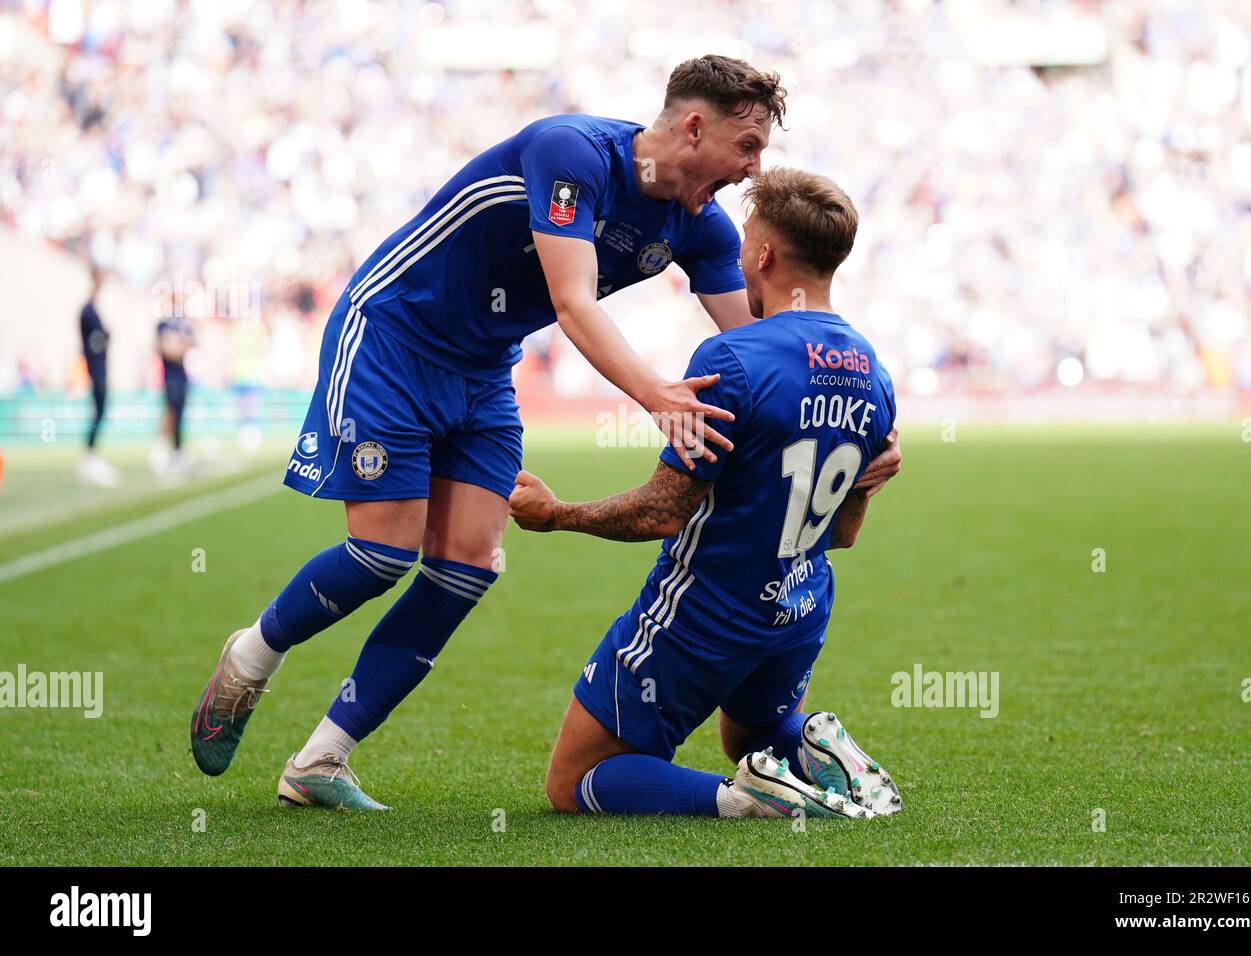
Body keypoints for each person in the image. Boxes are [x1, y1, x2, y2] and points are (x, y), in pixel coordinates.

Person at [189, 54, 899, 811]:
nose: (755, 168)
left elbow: (768, 351)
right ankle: (250, 657)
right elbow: (572, 299)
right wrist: (656, 394)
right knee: (382, 551)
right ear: (695, 126)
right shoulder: (571, 154)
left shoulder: (703, 227)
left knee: (467, 564)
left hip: (484, 368)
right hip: (393, 336)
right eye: (748, 147)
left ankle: (321, 760)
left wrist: (857, 439)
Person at [510, 168, 902, 819]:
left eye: (746, 240)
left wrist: (556, 515)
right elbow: (845, 531)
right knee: (745, 733)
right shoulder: (872, 372)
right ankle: (817, 747)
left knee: (576, 780)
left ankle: (746, 801)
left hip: (708, 609)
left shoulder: (733, 358)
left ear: (766, 253)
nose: (739, 255)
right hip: (799, 606)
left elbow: (663, 510)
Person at [76, 266, 120, 488]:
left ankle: (91, 456)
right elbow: (95, 343)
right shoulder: (88, 311)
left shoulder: (93, 309)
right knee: (98, 410)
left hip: (99, 366)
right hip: (96, 368)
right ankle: (89, 457)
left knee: (100, 411)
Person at [152, 313, 195, 477]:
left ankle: (178, 452)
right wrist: (179, 345)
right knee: (171, 415)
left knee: (179, 416)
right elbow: (169, 350)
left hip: (181, 377)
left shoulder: (182, 322)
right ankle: (160, 452)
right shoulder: (164, 324)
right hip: (170, 378)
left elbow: (189, 343)